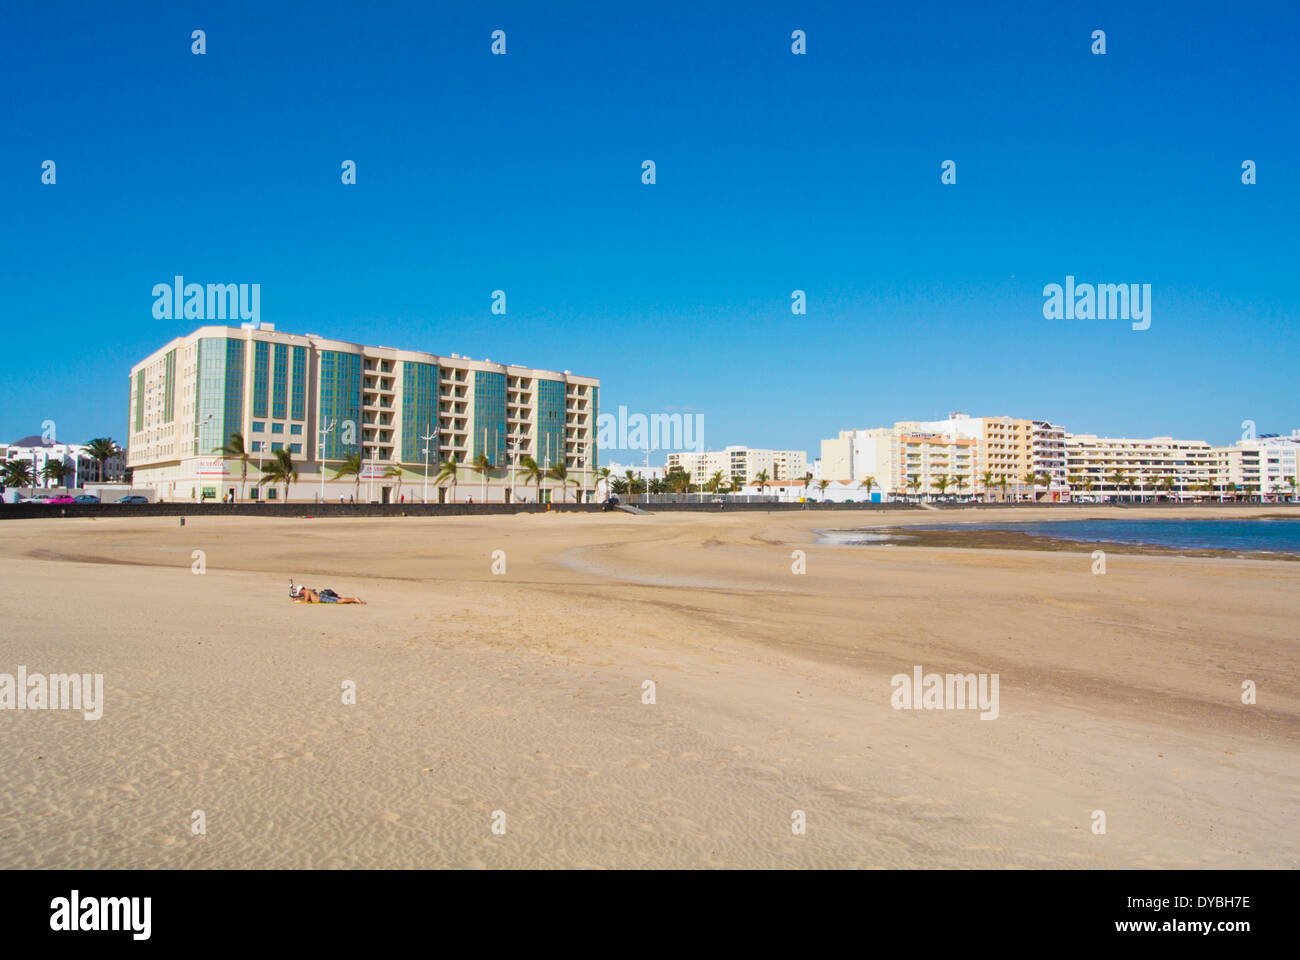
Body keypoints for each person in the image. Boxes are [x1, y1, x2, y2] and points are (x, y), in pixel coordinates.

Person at [289, 580, 365, 604]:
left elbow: (305, 600)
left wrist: (298, 600)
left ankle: (355, 599)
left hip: (321, 599)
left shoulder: (306, 592)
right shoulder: (308, 590)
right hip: (321, 597)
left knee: (338, 601)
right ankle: (354, 599)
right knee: (339, 600)